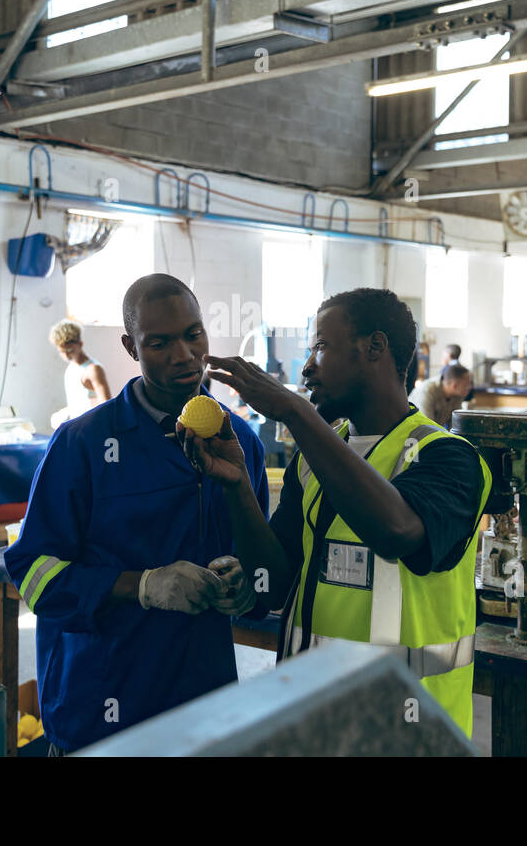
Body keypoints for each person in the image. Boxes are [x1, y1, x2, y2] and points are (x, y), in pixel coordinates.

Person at [182, 288, 492, 737]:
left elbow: (398, 531)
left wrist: (295, 411)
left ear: (375, 348)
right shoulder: (313, 457)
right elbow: (272, 583)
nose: (307, 367)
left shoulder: (447, 457)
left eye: (320, 347)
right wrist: (238, 487)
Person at [6, 275, 271, 754]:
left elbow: (259, 569)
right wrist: (142, 585)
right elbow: (34, 574)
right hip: (104, 704)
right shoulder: (83, 444)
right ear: (131, 347)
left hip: (202, 703)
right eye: (160, 343)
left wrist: (241, 586)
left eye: (193, 335)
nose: (184, 355)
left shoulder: (240, 443)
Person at [49, 320, 111, 427]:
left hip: (92, 429)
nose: (66, 356)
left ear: (80, 344)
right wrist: (67, 412)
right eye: (62, 352)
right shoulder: (71, 367)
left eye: (69, 350)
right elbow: (80, 402)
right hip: (78, 429)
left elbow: (107, 406)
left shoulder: (93, 369)